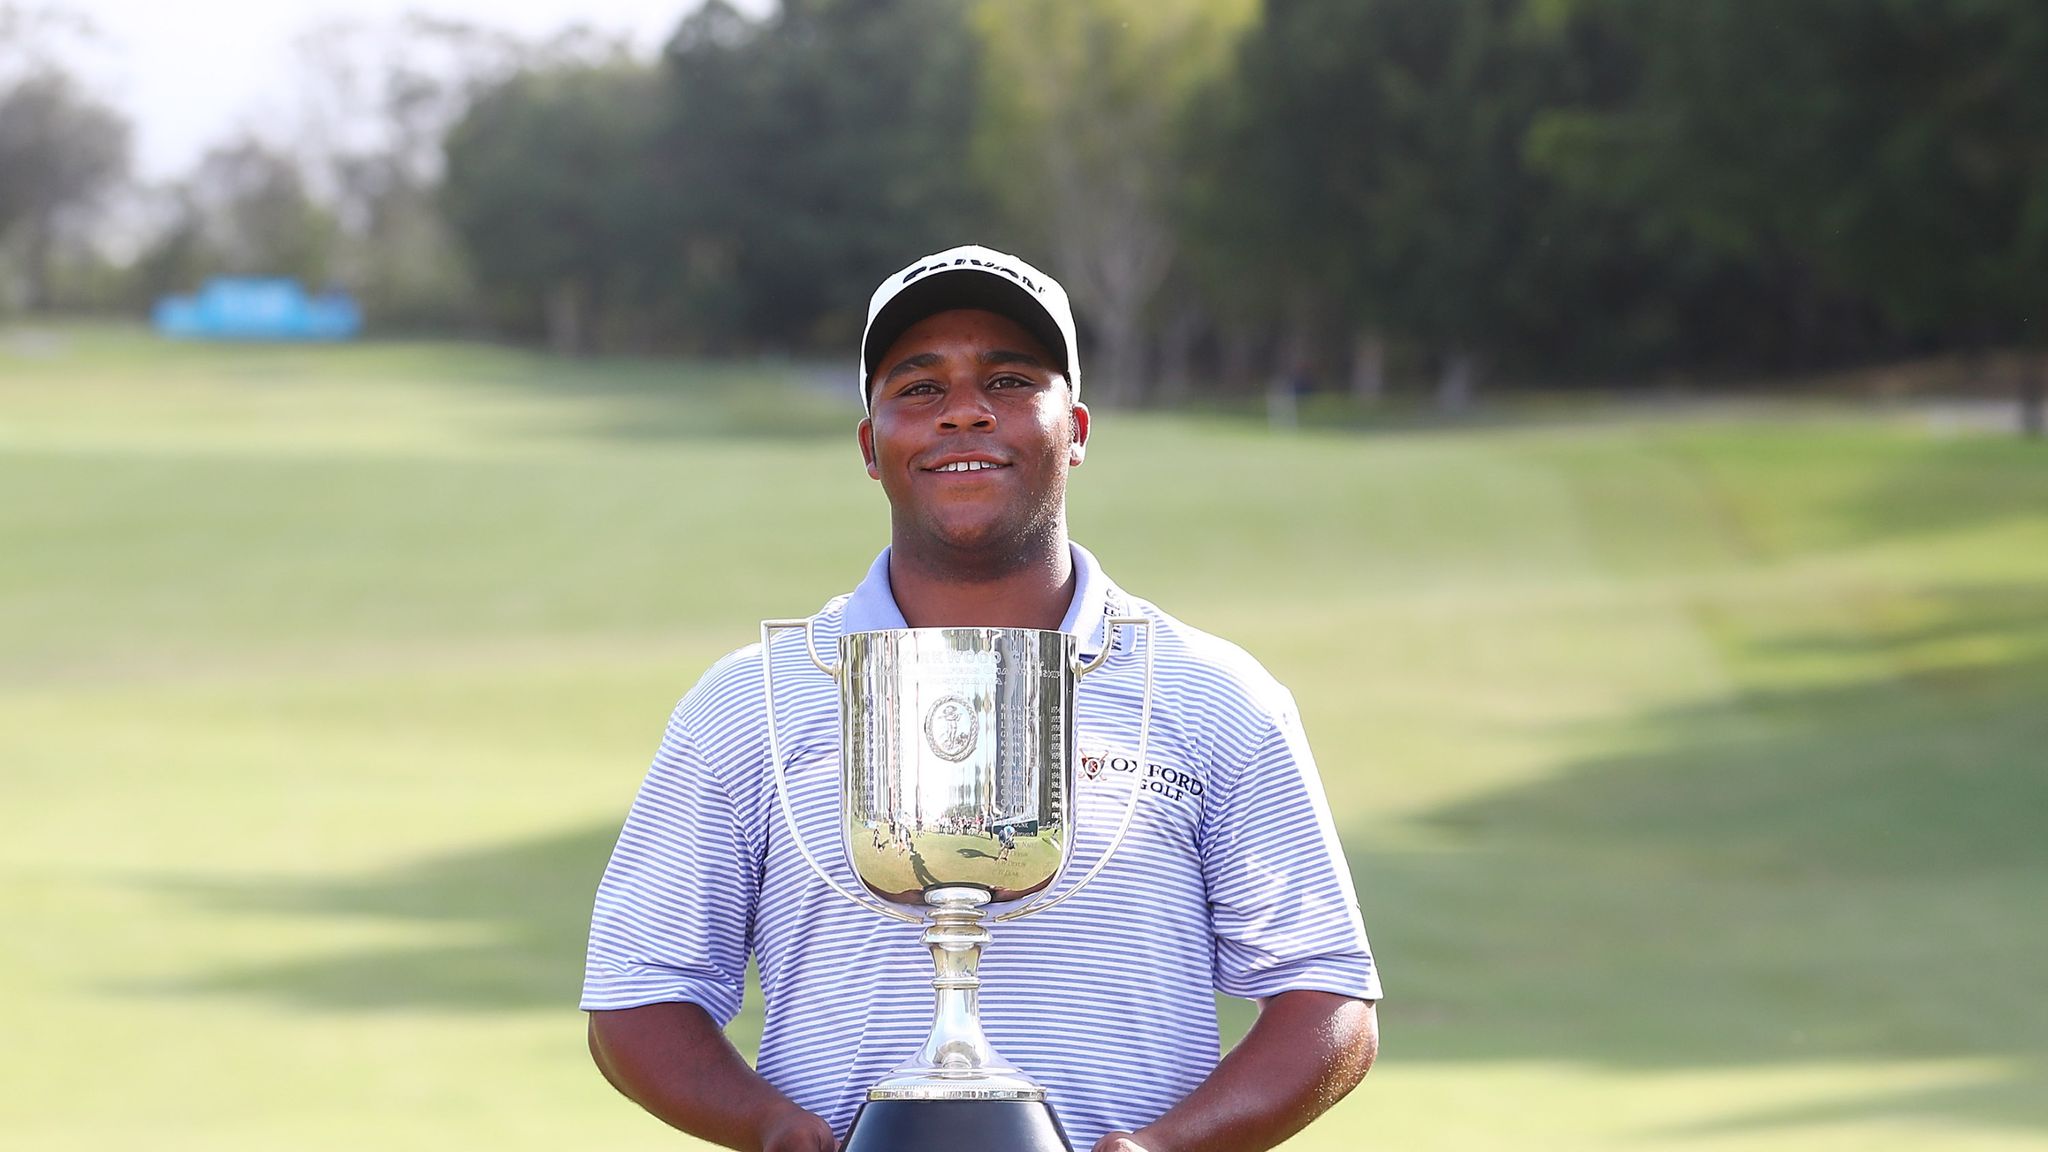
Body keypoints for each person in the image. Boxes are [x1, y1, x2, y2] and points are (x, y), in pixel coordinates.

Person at [582, 244, 1381, 1152]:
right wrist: (774, 1131)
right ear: (869, 445)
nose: (963, 410)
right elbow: (637, 991)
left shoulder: (1214, 697)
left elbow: (1328, 996)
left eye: (1007, 380)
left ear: (1075, 429)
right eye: (919, 388)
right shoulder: (750, 702)